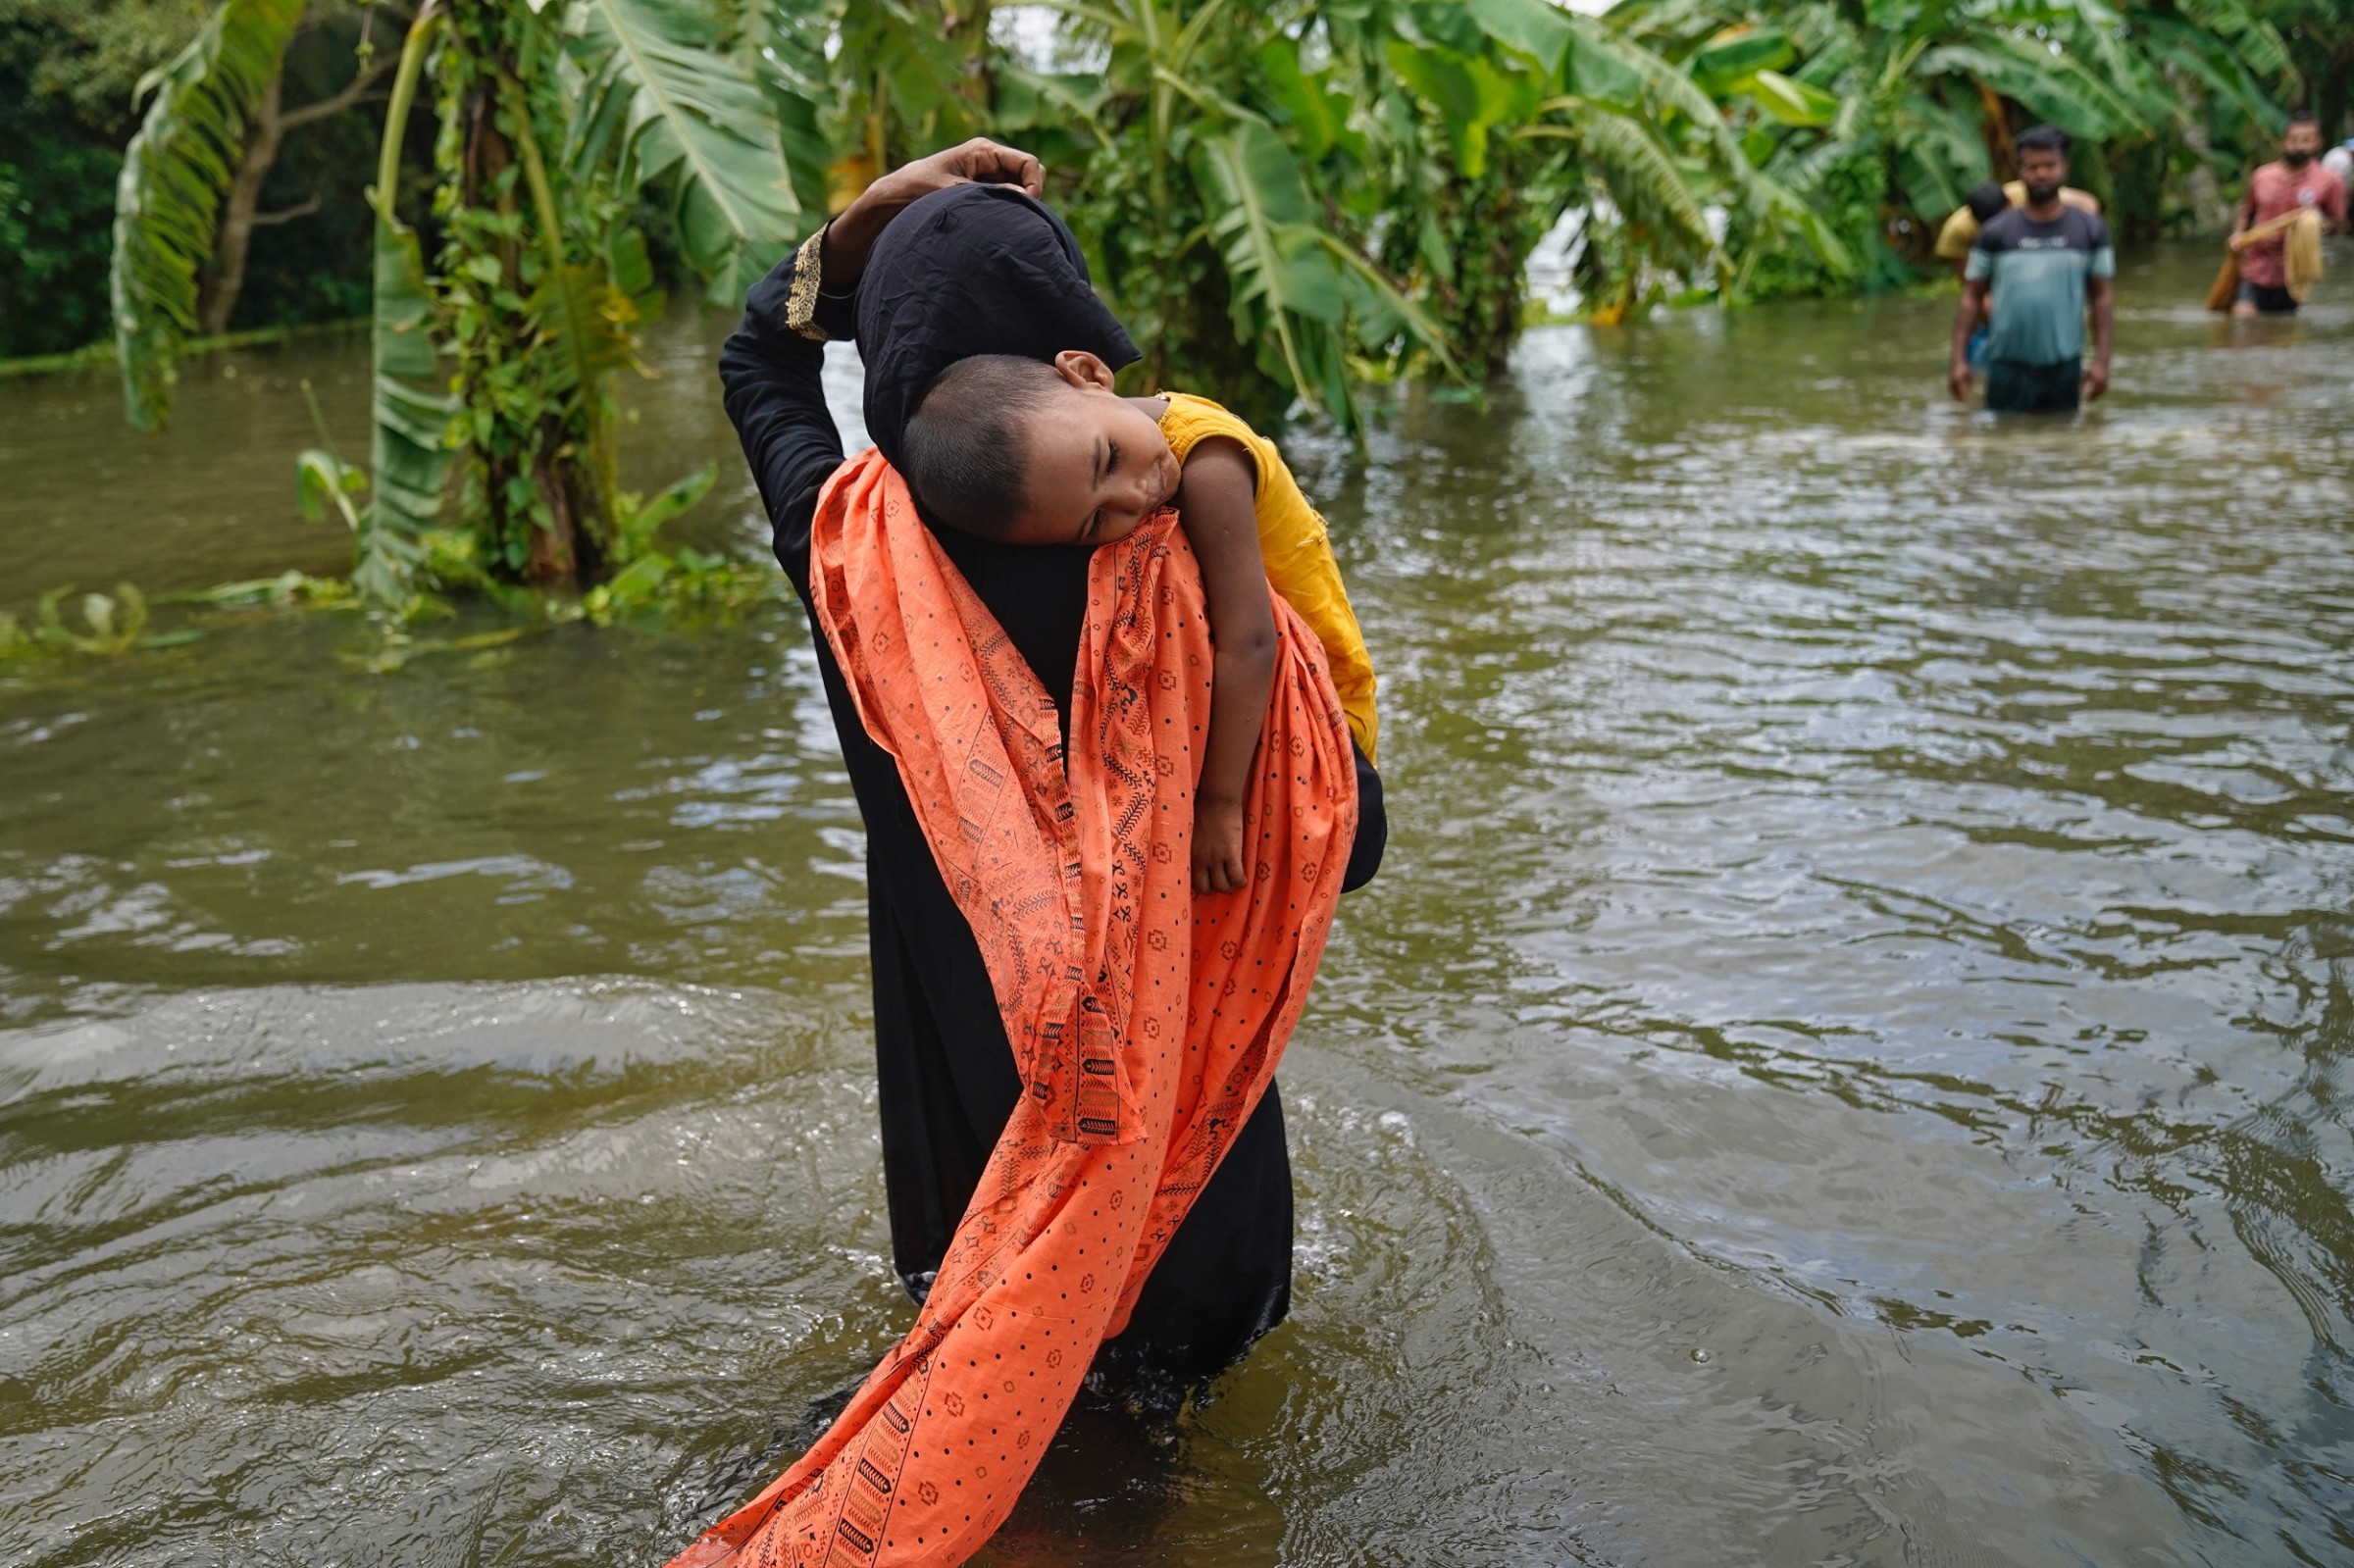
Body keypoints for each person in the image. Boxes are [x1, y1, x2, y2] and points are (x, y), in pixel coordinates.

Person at [668, 141, 1385, 1567]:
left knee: (1017, 1418)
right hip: (1182, 1177)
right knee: (1167, 1453)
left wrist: (857, 229)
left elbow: (759, 358)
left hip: (969, 1150)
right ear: (1074, 353)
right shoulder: (1191, 554)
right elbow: (1349, 841)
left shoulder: (851, 553)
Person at [896, 351, 1378, 896]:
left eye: (1108, 460)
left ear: (1090, 373)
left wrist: (1219, 804)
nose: (1134, 496)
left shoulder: (1209, 466)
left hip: (1326, 703)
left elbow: (1251, 641)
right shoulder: (1120, 430)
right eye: (1097, 521)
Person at [1947, 126, 2114, 415]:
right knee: (2002, 445)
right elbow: (1971, 295)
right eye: (2032, 167)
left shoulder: (2089, 231)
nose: (2041, 174)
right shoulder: (1995, 233)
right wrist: (1959, 358)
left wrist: (2102, 361)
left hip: (2064, 367)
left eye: (2050, 165)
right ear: (2020, 170)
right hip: (2006, 367)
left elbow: (2101, 296)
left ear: (2065, 168)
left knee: (2062, 445)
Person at [2228, 110, 2348, 316]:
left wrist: (2317, 222)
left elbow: (2339, 224)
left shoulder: (2330, 181)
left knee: (2283, 332)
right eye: (2293, 140)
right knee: (2243, 319)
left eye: (2306, 140)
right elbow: (2246, 212)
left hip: (2292, 273)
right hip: (2255, 268)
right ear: (2284, 142)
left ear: (2318, 142)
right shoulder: (2262, 176)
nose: (2298, 146)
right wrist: (2237, 234)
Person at [1932, 177, 2101, 278]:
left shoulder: (2025, 194)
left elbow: (2088, 204)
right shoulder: (1956, 232)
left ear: (2010, 204)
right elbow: (1970, 282)